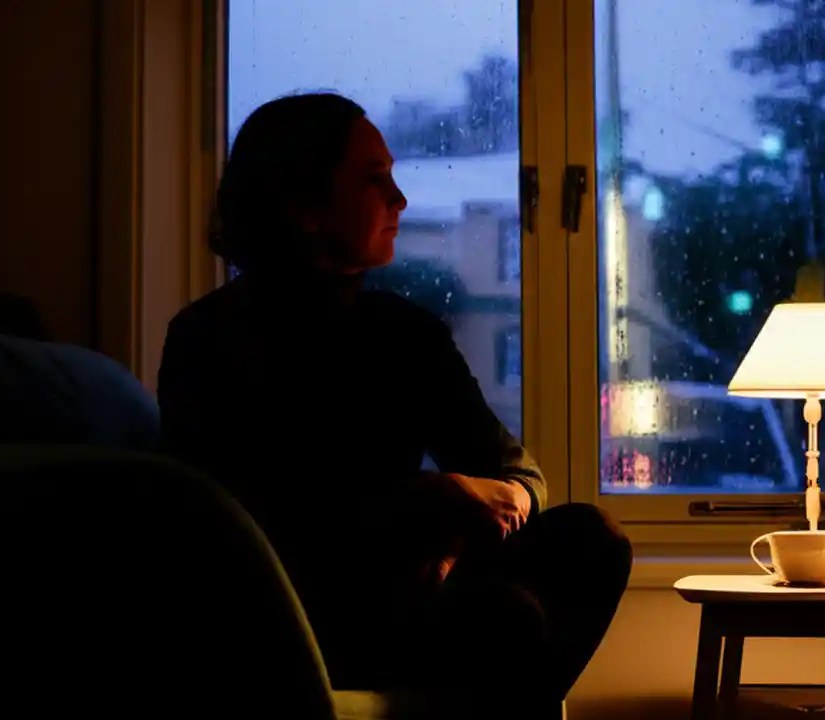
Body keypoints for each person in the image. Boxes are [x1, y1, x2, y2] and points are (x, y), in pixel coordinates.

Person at [157, 92, 631, 714]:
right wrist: (421, 504)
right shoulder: (210, 338)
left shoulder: (406, 334)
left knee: (592, 540)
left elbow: (514, 467)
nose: (400, 200)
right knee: (503, 618)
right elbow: (243, 517)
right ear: (305, 207)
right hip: (294, 606)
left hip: (421, 592)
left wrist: (503, 497)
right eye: (374, 179)